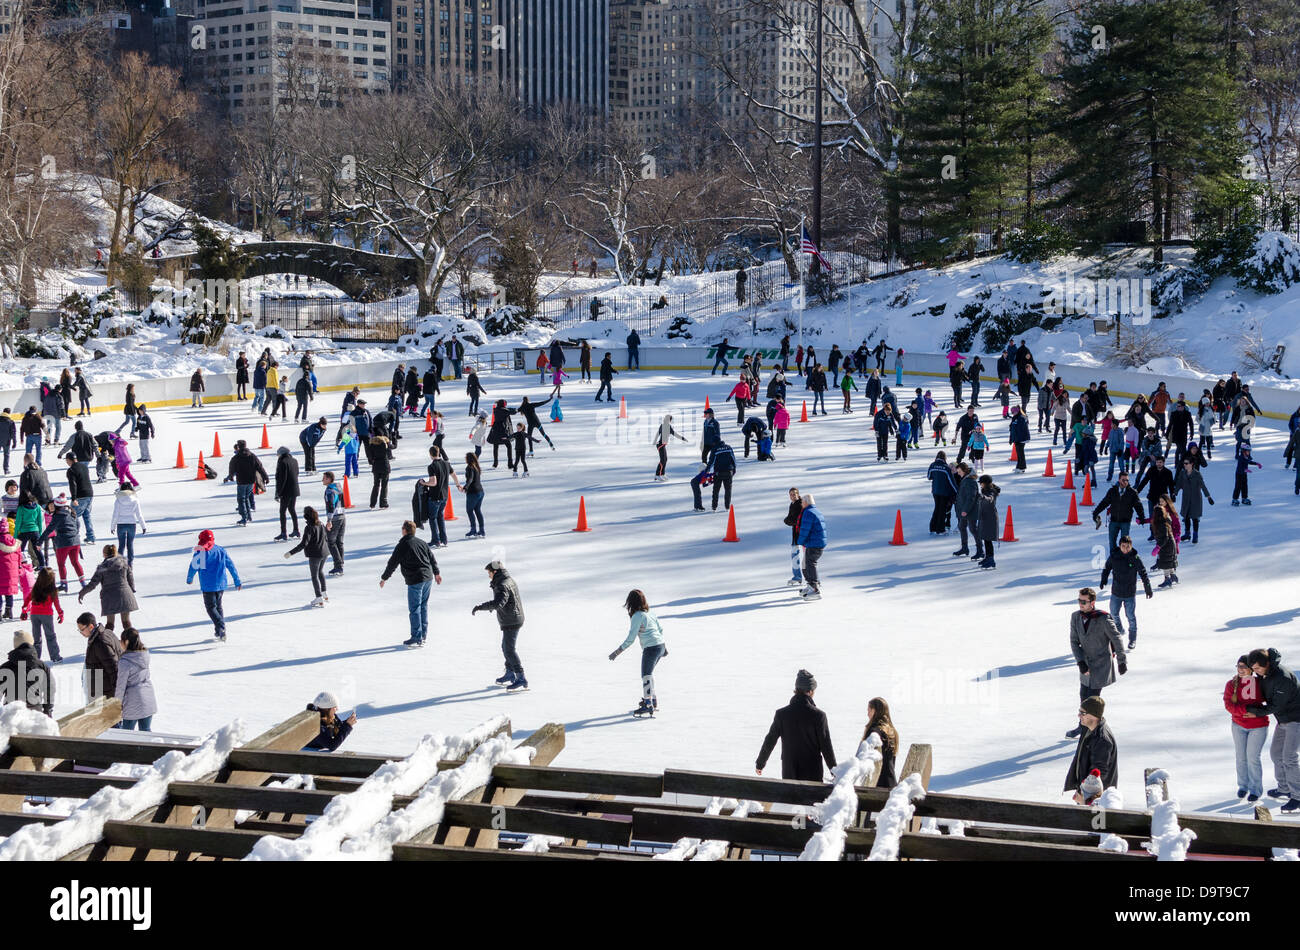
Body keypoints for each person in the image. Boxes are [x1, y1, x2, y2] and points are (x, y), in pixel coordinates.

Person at [755, 669, 837, 780]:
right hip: (812, 774)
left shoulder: (782, 714)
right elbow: (826, 746)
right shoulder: (819, 716)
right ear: (811, 691)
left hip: (789, 772)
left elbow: (770, 740)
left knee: (790, 797)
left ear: (796, 690)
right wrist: (835, 772)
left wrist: (760, 763)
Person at [1066, 588, 1126, 738]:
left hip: (1100, 665)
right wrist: (1080, 662)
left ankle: (1093, 730)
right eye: (1079, 600)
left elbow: (1116, 639)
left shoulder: (1103, 618)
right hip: (1085, 665)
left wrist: (1121, 660)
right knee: (1083, 696)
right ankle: (1082, 727)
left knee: (1092, 700)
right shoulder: (1075, 617)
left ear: (1092, 602)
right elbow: (1074, 642)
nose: (1080, 604)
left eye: (1083, 601)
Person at [1246, 648, 1300, 812]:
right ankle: (1284, 788)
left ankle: (1297, 796)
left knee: (1289, 757)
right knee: (1276, 754)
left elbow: (1277, 704)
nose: (1255, 672)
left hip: (1296, 720)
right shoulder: (1266, 674)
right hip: (1283, 720)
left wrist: (1255, 712)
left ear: (1266, 663)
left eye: (1257, 669)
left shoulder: (1282, 677)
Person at [379, 520, 441, 648]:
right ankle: (423, 635)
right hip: (428, 578)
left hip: (416, 579)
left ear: (404, 530)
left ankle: (417, 637)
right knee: (423, 606)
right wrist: (436, 573)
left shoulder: (403, 545)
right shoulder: (422, 542)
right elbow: (432, 558)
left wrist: (384, 578)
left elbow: (392, 563)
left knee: (414, 608)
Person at [608, 588, 666, 717]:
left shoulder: (637, 616)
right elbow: (660, 629)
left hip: (651, 648)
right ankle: (652, 699)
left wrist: (617, 651)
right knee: (648, 674)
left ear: (631, 603)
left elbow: (631, 638)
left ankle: (648, 703)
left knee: (646, 675)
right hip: (660, 646)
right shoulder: (650, 613)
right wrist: (664, 648)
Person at [472, 560, 527, 690]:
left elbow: (498, 603)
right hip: (513, 618)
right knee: (505, 647)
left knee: (509, 649)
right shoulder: (507, 579)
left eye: (489, 573)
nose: (488, 575)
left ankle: (521, 678)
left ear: (495, 572)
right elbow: (505, 601)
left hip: (512, 620)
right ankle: (510, 673)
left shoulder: (502, 584)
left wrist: (481, 607)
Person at [1225, 655, 1269, 803]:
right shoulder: (1231, 684)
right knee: (1241, 757)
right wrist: (1246, 709)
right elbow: (1229, 706)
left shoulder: (1259, 683)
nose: (1241, 669)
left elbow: (1270, 701)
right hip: (1238, 725)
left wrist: (1256, 710)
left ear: (1251, 669)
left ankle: (1255, 789)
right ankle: (1243, 786)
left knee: (1252, 758)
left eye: (1244, 666)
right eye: (1239, 666)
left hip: (1258, 726)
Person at [186, 529, 241, 642]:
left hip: (208, 585)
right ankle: (219, 631)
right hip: (221, 584)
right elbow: (230, 565)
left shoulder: (201, 552)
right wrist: (237, 580)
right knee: (218, 607)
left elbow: (193, 567)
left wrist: (189, 578)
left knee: (211, 608)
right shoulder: (221, 550)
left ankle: (221, 627)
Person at [1099, 536, 1152, 651]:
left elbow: (1143, 573)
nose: (1125, 549)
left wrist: (1147, 587)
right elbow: (1106, 568)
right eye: (1123, 546)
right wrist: (1103, 579)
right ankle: (1120, 630)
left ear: (1131, 546)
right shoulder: (1114, 556)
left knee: (1131, 616)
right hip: (1116, 592)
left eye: (1128, 547)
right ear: (1119, 546)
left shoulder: (1135, 558)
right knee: (1113, 614)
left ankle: (1132, 638)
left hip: (1129, 593)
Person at [1064, 695, 1118, 802]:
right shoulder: (1088, 729)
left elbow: (1098, 773)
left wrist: (1084, 795)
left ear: (1093, 715)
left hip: (1097, 799)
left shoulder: (1102, 740)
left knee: (1095, 819)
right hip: (1088, 793)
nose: (1079, 715)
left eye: (1082, 713)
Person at [78, 544, 137, 633]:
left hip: (109, 597)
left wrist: (82, 592)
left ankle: (107, 643)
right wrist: (132, 589)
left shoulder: (102, 567)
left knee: (110, 623)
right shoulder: (124, 564)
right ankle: (132, 643)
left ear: (104, 554)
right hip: (125, 594)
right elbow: (130, 578)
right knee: (126, 622)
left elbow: (93, 584)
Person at [0, 630, 53, 716]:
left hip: (11, 714)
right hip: (35, 712)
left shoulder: (5, 667)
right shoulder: (41, 666)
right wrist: (48, 710)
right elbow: (49, 689)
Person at [285, 506, 329, 607]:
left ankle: (319, 597)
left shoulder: (309, 527)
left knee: (314, 576)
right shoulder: (321, 523)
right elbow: (326, 537)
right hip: (325, 552)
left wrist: (291, 553)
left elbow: (303, 544)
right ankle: (324, 593)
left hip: (315, 554)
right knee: (320, 571)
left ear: (306, 516)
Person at [37, 494, 83, 592]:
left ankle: (63, 584)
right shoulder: (71, 512)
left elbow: (49, 529)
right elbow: (78, 525)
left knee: (61, 564)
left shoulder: (57, 516)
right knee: (75, 562)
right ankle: (83, 583)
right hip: (75, 541)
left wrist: (39, 542)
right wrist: (75, 535)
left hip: (63, 542)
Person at [114, 627, 157, 731]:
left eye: (121, 640)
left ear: (127, 642)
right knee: (146, 732)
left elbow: (120, 686)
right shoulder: (144, 655)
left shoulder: (125, 662)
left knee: (126, 735)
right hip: (148, 698)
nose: (120, 643)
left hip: (132, 702)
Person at [1092, 471, 1144, 555]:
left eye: (1127, 480)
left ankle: (1124, 561)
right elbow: (1104, 502)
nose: (1125, 482)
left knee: (1125, 544)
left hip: (1125, 522)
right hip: (1114, 521)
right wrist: (1096, 512)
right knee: (1112, 543)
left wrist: (1142, 517)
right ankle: (1113, 561)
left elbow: (1138, 506)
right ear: (1119, 480)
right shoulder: (1112, 491)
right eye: (1123, 480)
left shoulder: (1132, 492)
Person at [77, 612, 122, 701]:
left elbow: (113, 668)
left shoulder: (100, 642)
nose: (80, 633)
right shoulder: (106, 633)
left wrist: (118, 694)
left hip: (106, 694)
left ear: (90, 627)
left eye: (81, 629)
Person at [23, 567, 64, 661]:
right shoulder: (52, 590)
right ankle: (55, 657)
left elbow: (28, 598)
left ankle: (35, 658)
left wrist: (24, 610)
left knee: (36, 638)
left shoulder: (36, 588)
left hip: (34, 615)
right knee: (50, 636)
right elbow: (56, 604)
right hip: (46, 615)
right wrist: (60, 614)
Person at [1172, 457, 1213, 544]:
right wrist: (1174, 493)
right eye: (1184, 463)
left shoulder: (1197, 474)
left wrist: (1208, 497)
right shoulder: (1183, 473)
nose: (1185, 465)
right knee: (1186, 516)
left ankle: (1195, 534)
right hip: (1186, 498)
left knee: (1195, 518)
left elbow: (1203, 486)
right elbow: (1179, 484)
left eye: (1186, 463)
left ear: (1191, 464)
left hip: (1195, 499)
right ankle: (1187, 533)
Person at [863, 698, 899, 788]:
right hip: (891, 782)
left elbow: (865, 758)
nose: (867, 714)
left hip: (877, 784)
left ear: (874, 710)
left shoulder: (874, 731)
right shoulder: (892, 731)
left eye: (869, 710)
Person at [796, 493, 825, 600]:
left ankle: (815, 589)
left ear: (806, 502)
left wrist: (800, 541)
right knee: (806, 564)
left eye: (802, 502)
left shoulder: (808, 512)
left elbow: (805, 529)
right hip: (817, 543)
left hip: (814, 543)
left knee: (810, 564)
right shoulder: (816, 510)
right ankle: (811, 585)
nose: (801, 504)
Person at [273, 446, 301, 540]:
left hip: (286, 490)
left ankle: (283, 532)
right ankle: (296, 530)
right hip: (294, 489)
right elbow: (297, 473)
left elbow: (281, 478)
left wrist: (278, 492)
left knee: (282, 512)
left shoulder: (282, 462)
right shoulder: (294, 460)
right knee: (292, 510)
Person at [700, 440, 736, 511]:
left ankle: (714, 507)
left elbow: (711, 461)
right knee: (728, 490)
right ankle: (727, 507)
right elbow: (733, 459)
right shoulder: (729, 447)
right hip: (729, 472)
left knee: (716, 490)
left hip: (718, 473)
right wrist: (734, 469)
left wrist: (707, 471)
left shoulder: (715, 449)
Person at [973, 474, 1000, 568]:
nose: (980, 485)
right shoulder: (985, 490)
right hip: (984, 517)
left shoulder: (992, 492)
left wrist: (984, 497)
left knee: (988, 540)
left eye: (981, 483)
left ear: (985, 483)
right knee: (985, 538)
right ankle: (987, 557)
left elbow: (990, 499)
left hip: (990, 518)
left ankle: (991, 559)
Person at [927, 452, 956, 534]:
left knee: (937, 508)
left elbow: (929, 477)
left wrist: (936, 477)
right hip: (945, 492)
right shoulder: (946, 468)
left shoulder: (932, 465)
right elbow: (951, 481)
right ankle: (940, 529)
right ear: (944, 458)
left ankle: (932, 527)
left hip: (935, 491)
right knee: (942, 510)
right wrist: (956, 491)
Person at [654, 414, 688, 481]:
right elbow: (674, 434)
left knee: (665, 459)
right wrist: (683, 438)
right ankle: (657, 474)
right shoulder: (666, 426)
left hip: (662, 445)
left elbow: (658, 433)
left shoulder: (664, 425)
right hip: (660, 445)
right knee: (662, 460)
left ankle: (662, 474)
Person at [460, 453, 486, 537]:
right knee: (477, 510)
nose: (465, 458)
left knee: (469, 510)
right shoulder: (476, 467)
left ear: (468, 459)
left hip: (473, 492)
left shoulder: (470, 467)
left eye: (466, 457)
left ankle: (473, 529)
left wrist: (465, 487)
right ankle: (481, 530)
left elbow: (470, 479)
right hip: (480, 492)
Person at [365, 434, 393, 509]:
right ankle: (383, 503)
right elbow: (393, 447)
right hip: (385, 466)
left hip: (376, 467)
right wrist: (392, 440)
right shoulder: (385, 445)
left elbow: (370, 456)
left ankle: (372, 503)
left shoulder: (371, 446)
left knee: (376, 485)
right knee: (384, 485)